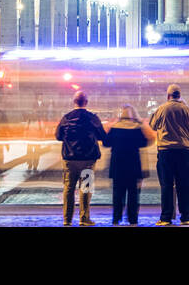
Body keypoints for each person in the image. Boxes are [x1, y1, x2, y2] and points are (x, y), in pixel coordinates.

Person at [148, 84, 189, 225]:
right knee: (184, 185)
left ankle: (166, 218)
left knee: (167, 185)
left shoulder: (162, 109)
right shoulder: (187, 110)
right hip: (184, 152)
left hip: (165, 152)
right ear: (180, 96)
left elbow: (152, 125)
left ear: (168, 96)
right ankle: (185, 217)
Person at [54, 91, 106, 226]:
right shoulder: (92, 118)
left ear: (74, 102)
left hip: (70, 160)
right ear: (86, 102)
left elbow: (58, 136)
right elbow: (102, 135)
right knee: (86, 188)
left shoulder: (66, 118)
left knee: (69, 188)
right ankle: (84, 218)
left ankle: (67, 220)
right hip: (88, 160)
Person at [105, 104, 155, 225]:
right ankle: (132, 219)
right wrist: (142, 123)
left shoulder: (115, 128)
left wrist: (110, 126)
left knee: (117, 194)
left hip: (117, 165)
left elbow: (106, 142)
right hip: (133, 165)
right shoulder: (137, 129)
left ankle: (116, 219)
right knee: (133, 194)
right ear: (134, 115)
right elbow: (149, 140)